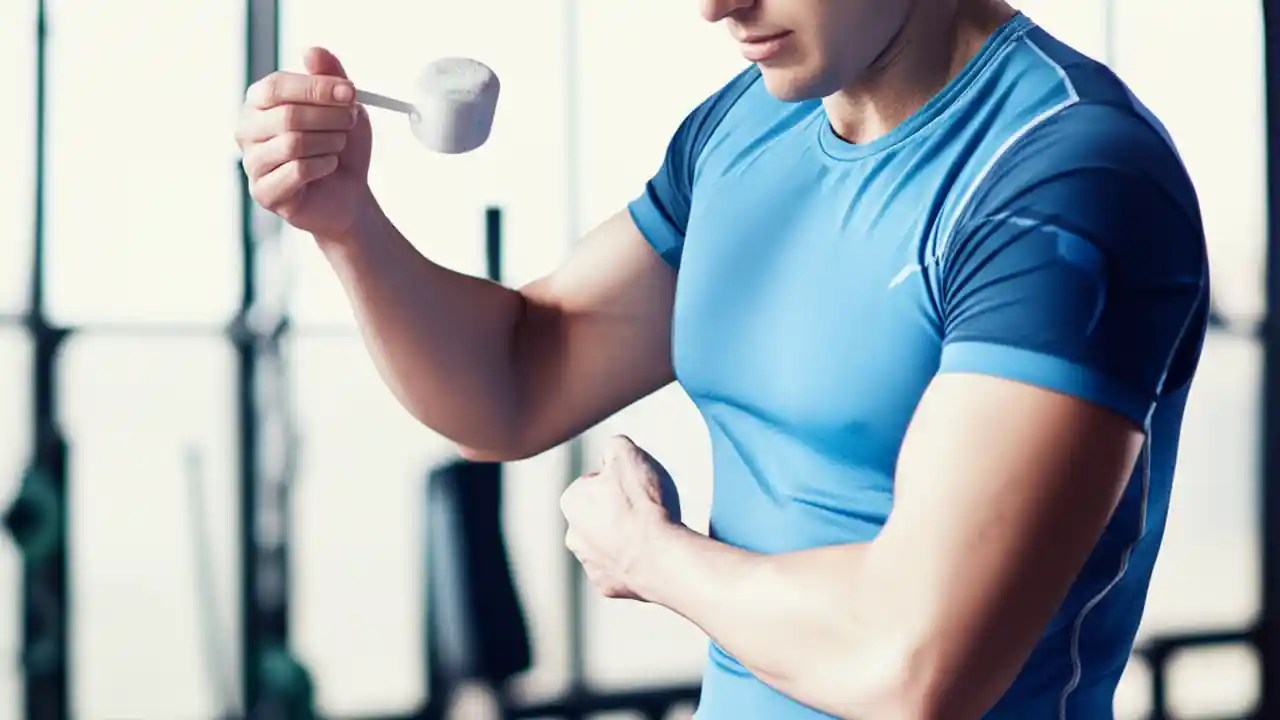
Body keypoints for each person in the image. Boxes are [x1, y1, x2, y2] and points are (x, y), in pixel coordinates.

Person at [234, 0, 1210, 717]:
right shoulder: (749, 124)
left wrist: (652, 558)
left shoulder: (1069, 176)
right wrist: (349, 226)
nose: (715, 7)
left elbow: (915, 661)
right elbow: (514, 381)